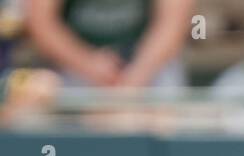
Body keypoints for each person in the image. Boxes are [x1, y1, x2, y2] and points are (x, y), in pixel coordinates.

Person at [25, 0, 192, 89]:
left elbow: (174, 21)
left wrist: (137, 76)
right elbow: (40, 21)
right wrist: (88, 65)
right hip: (75, 68)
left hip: (148, 67)